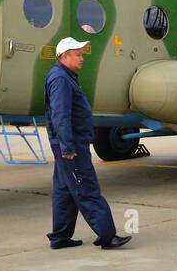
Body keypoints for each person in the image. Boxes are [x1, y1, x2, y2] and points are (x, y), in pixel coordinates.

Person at [44, 36, 129, 249]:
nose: (82, 58)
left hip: (68, 143)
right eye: (77, 54)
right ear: (64, 56)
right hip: (71, 146)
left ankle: (60, 237)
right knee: (86, 189)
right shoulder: (61, 79)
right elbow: (60, 115)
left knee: (65, 190)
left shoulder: (64, 76)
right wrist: (68, 147)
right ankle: (107, 236)